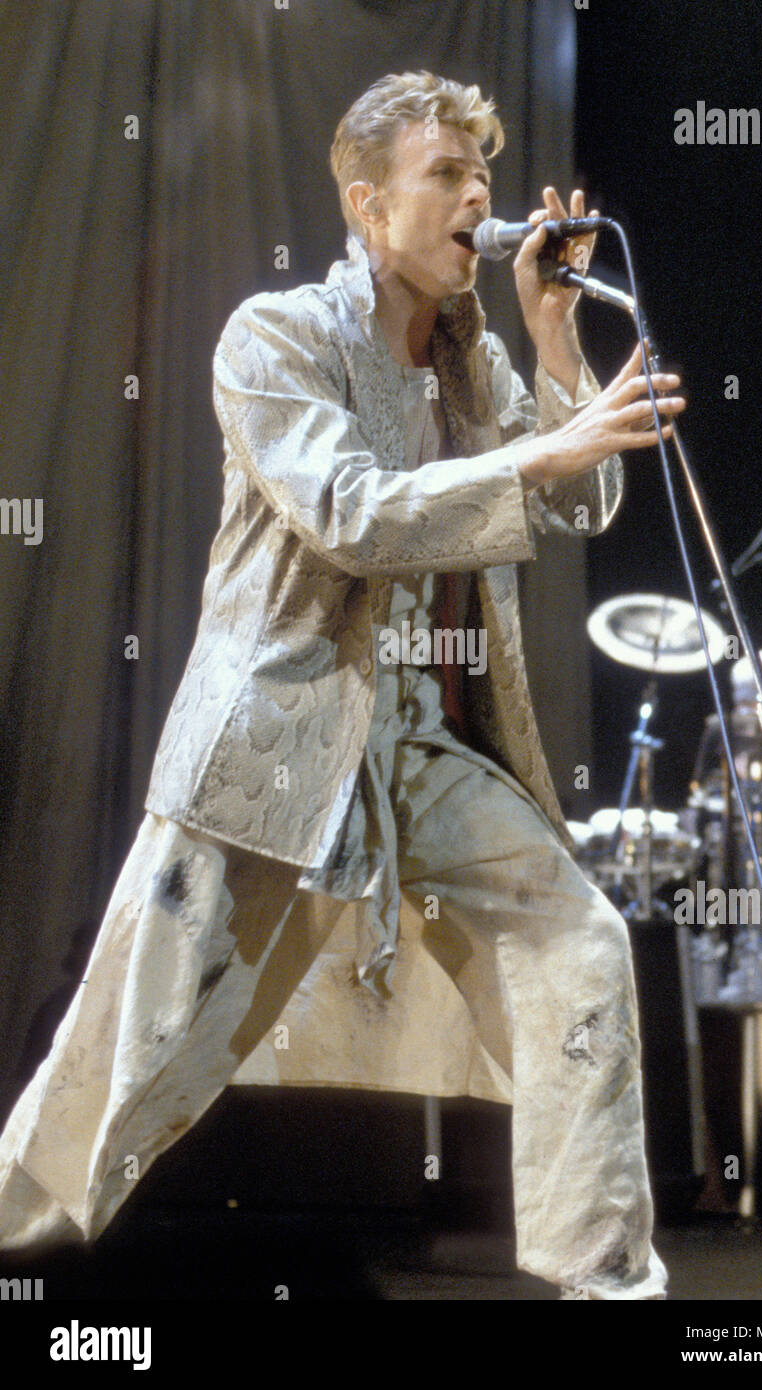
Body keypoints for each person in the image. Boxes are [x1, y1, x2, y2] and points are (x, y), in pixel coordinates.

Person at [0, 71, 684, 1298]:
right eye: (447, 176)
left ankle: (604, 1277)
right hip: (275, 748)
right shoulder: (274, 338)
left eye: (485, 175)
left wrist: (547, 338)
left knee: (577, 941)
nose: (480, 196)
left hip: (418, 751)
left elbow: (581, 495)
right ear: (369, 208)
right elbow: (353, 516)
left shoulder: (476, 362)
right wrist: (540, 450)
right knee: (136, 1056)